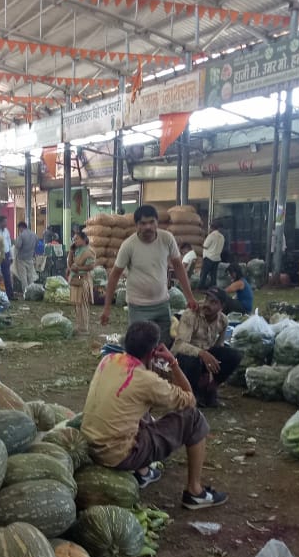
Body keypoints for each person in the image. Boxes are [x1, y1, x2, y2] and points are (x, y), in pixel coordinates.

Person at [80, 320, 227, 510]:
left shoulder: (108, 360)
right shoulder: (147, 381)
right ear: (153, 351)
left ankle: (143, 472)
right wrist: (173, 363)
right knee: (194, 418)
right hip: (116, 456)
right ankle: (195, 492)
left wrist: (150, 363)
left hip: (91, 445)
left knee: (140, 412)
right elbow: (190, 400)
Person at [101, 205, 197, 343]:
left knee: (163, 344)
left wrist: (190, 298)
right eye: (143, 223)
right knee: (140, 345)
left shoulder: (167, 239)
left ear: (157, 222)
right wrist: (107, 308)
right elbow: (114, 275)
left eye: (152, 222)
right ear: (136, 225)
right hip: (138, 307)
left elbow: (178, 267)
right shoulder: (129, 245)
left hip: (162, 304)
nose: (148, 227)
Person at [172, 287, 243, 408]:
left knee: (234, 356)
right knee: (192, 359)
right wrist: (202, 354)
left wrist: (211, 373)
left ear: (222, 306)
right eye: (207, 300)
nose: (207, 304)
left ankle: (211, 388)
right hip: (183, 358)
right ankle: (192, 393)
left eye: (213, 302)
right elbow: (179, 346)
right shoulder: (191, 315)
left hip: (204, 357)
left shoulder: (223, 320)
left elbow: (218, 346)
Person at [66, 230, 97, 334]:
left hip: (83, 279)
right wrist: (71, 251)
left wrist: (78, 268)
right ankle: (79, 326)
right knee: (77, 304)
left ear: (84, 239)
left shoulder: (89, 251)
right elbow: (70, 264)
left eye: (77, 239)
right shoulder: (77, 250)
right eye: (74, 239)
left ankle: (84, 328)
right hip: (75, 279)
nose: (75, 241)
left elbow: (91, 266)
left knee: (82, 304)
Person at [200, 220, 225, 288]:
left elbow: (205, 246)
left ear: (212, 227)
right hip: (217, 258)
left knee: (204, 274)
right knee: (213, 275)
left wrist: (202, 240)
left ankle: (201, 287)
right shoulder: (222, 237)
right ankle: (213, 288)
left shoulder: (211, 235)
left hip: (209, 258)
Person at [14, 221, 38, 291]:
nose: (19, 230)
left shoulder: (21, 235)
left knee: (23, 276)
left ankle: (26, 291)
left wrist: (15, 243)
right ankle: (32, 291)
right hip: (30, 258)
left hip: (21, 258)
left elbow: (18, 246)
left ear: (21, 227)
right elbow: (36, 244)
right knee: (30, 275)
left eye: (19, 229)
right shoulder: (34, 235)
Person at [0, 215, 14, 300]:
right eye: (4, 222)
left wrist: (11, 256)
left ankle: (10, 295)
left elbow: (9, 243)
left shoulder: (6, 230)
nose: (6, 224)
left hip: (6, 254)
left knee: (7, 275)